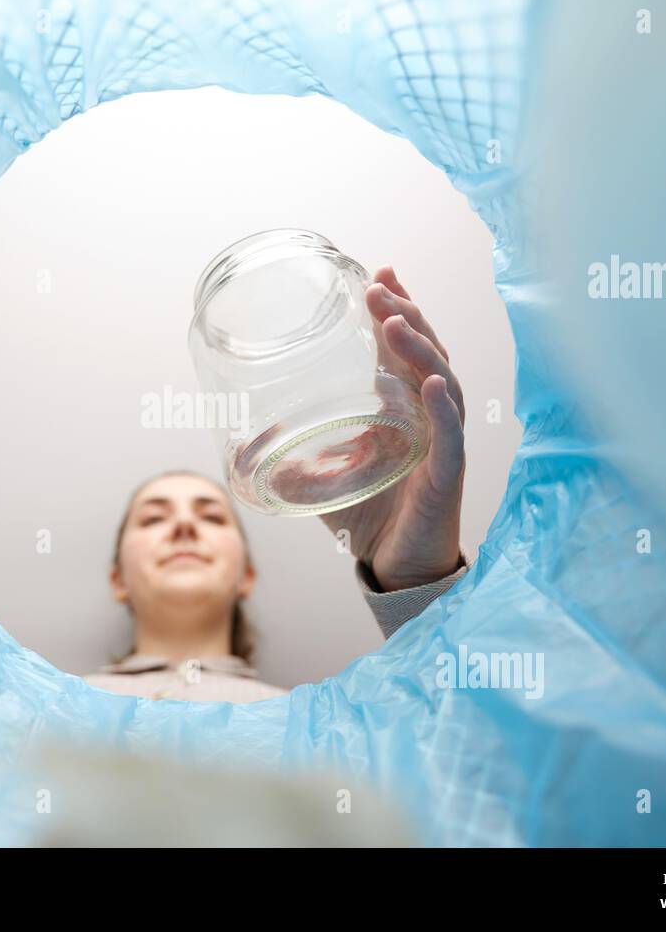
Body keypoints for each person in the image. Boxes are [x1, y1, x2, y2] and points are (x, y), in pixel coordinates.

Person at [84, 267, 470, 702]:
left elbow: (484, 756)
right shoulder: (38, 709)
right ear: (118, 578)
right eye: (153, 518)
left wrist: (416, 585)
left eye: (212, 516)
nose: (184, 528)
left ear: (246, 575)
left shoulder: (319, 723)